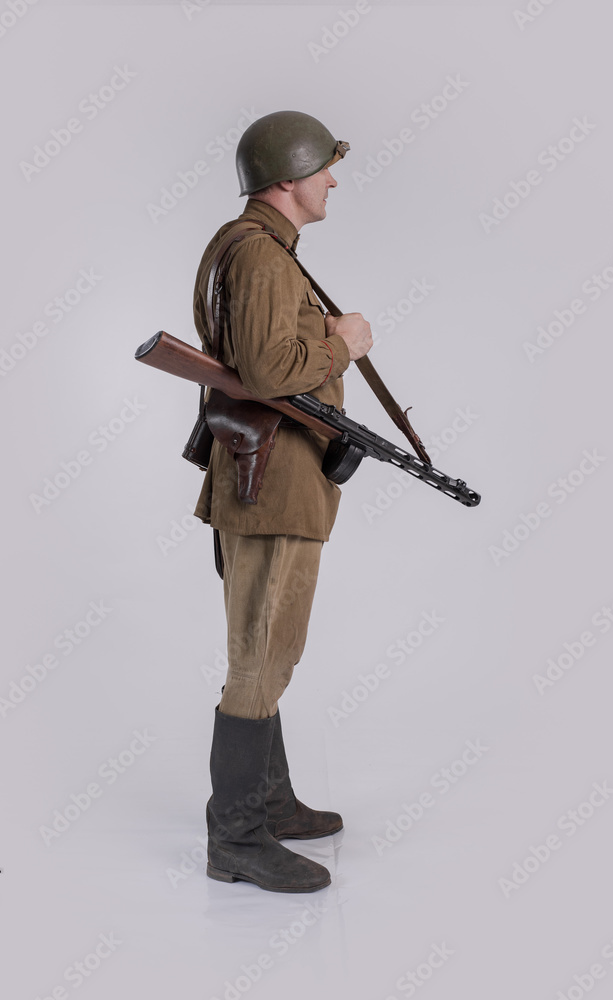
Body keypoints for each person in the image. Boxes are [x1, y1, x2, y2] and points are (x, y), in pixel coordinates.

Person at [192, 110, 373, 893]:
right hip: (273, 487)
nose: (333, 179)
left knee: (265, 650)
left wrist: (321, 335)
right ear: (288, 179)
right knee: (263, 656)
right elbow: (269, 373)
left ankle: (268, 800)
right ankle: (235, 839)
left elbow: (259, 360)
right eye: (324, 168)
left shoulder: (255, 248)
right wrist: (345, 343)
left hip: (265, 478)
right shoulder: (264, 258)